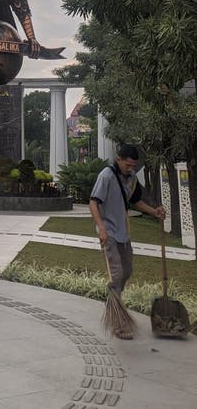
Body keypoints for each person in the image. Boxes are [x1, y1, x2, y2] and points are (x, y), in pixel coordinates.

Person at [89, 144, 165, 339]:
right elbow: (93, 202)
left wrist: (154, 211)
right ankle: (117, 323)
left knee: (127, 270)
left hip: (124, 232)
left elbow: (135, 201)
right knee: (116, 274)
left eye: (133, 166)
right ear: (119, 159)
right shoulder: (106, 176)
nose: (130, 169)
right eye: (128, 165)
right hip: (109, 233)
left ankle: (114, 300)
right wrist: (102, 228)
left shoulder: (131, 178)